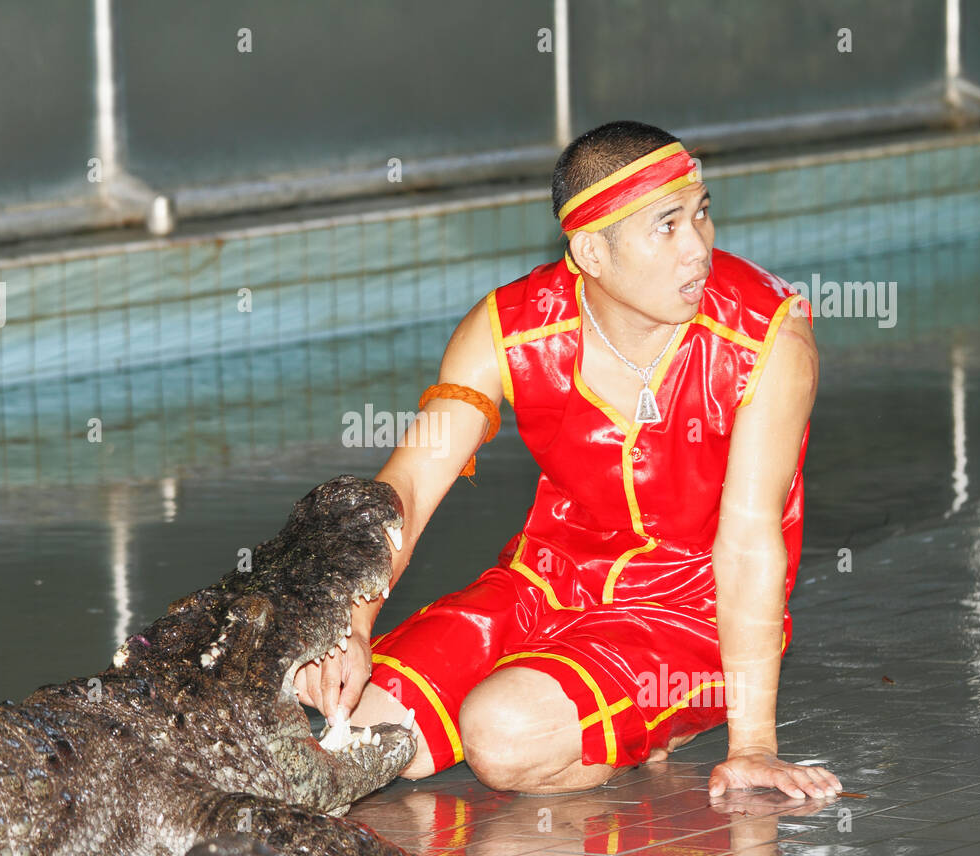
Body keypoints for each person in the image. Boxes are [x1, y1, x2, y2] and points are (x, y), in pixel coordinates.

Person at [296, 120, 842, 800]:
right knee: (362, 724)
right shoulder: (509, 329)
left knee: (499, 733)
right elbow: (409, 482)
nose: (699, 248)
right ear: (592, 252)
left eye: (701, 214)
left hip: (689, 614)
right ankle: (580, 703)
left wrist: (754, 744)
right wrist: (348, 621)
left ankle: (649, 715)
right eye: (667, 227)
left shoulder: (765, 336)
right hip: (544, 584)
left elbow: (751, 540)